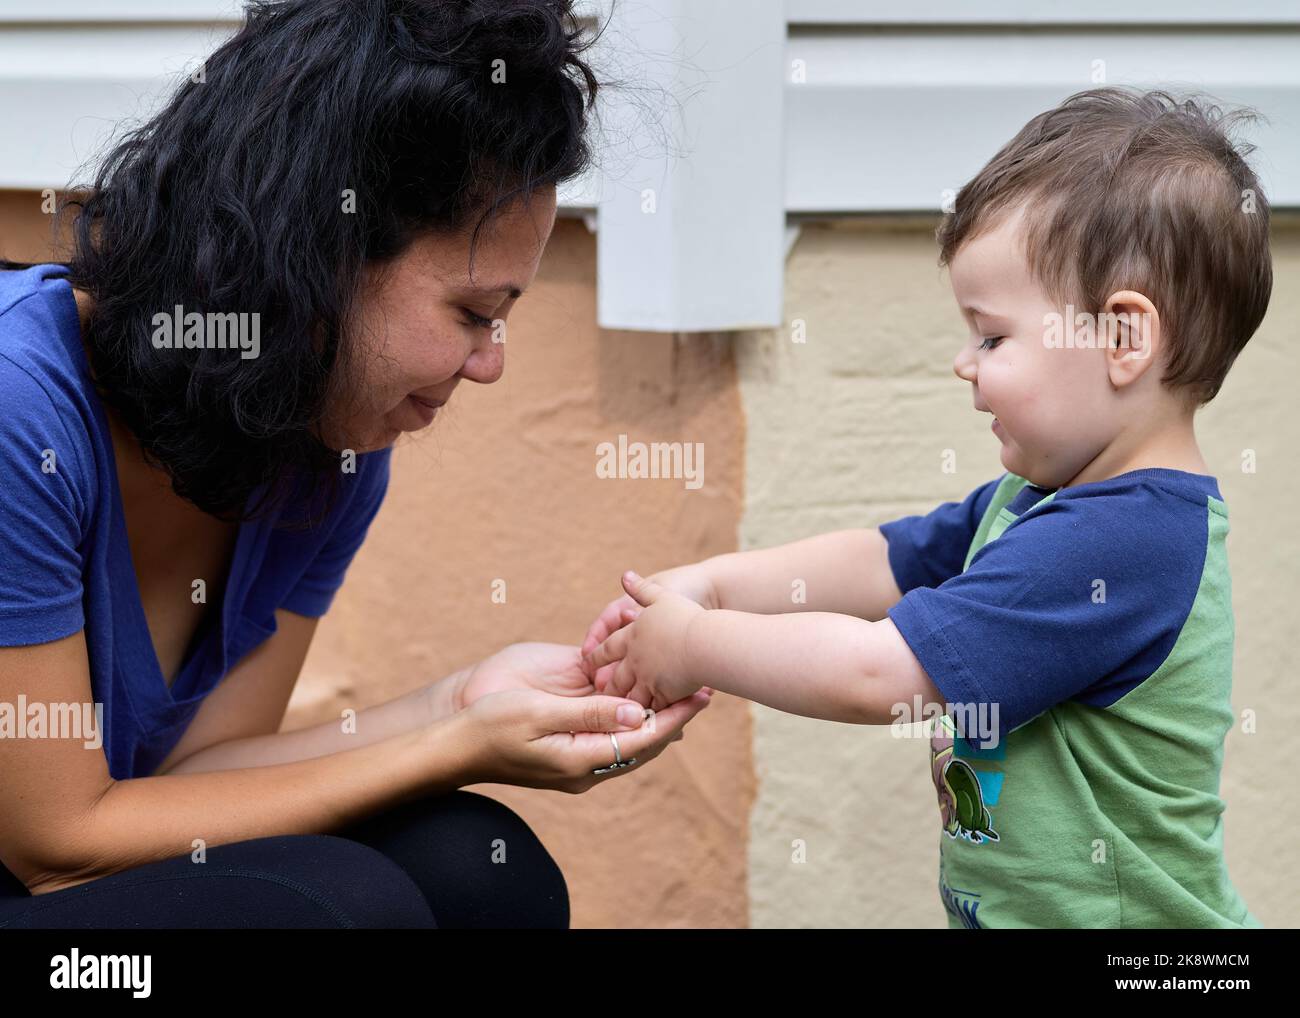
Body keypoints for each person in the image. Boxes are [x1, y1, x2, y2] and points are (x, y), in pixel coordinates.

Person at [0, 0, 710, 930]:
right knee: (338, 909)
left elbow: (195, 782)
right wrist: (457, 744)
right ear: (318, 257)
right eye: (471, 313)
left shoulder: (328, 449)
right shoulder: (23, 409)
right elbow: (58, 846)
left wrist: (459, 701)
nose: (491, 362)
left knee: (480, 872)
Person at [583, 87, 1267, 929]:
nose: (963, 363)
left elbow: (877, 674)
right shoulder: (1042, 505)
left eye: (992, 337)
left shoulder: (1121, 542)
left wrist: (692, 644)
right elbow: (881, 561)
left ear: (1122, 340)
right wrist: (711, 585)